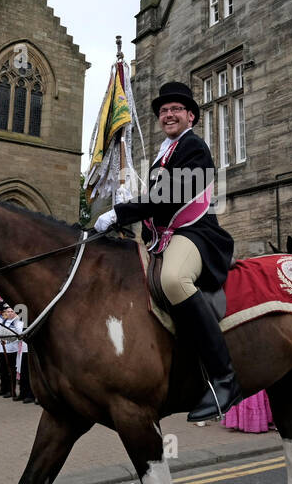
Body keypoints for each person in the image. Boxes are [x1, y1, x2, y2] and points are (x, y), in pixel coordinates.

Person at [93, 80, 240, 421]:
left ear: (191, 116)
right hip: (166, 237)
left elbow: (169, 197)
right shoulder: (163, 154)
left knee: (173, 279)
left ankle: (224, 377)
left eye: (176, 109)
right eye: (163, 111)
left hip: (197, 234)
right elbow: (155, 208)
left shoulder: (194, 147)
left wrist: (120, 212)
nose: (168, 115)